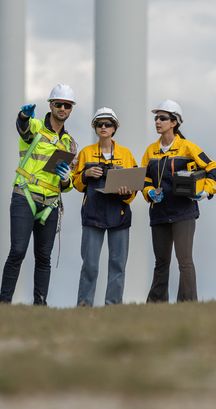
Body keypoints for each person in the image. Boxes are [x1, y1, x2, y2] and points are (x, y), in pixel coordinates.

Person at [0, 83, 77, 305]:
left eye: (67, 105)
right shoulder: (35, 127)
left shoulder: (69, 143)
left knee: (44, 258)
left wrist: (65, 179)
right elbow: (22, 128)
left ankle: (39, 305)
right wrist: (23, 115)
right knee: (18, 252)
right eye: (59, 104)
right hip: (25, 195)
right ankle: (3, 305)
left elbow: (68, 184)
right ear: (51, 105)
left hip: (50, 203)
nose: (63, 108)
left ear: (71, 109)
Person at [141, 99, 216, 303]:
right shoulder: (150, 151)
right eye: (156, 117)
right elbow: (144, 179)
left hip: (183, 213)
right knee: (161, 262)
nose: (157, 121)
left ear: (174, 122)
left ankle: (187, 304)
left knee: (184, 261)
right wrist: (149, 192)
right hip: (159, 213)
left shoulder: (188, 147)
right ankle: (156, 305)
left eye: (162, 118)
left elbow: (212, 167)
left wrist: (206, 191)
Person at [71, 107, 138, 306]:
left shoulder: (126, 154)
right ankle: (84, 306)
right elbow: (76, 184)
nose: (103, 127)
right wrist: (85, 175)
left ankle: (113, 307)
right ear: (95, 128)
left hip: (119, 215)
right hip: (93, 216)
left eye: (107, 124)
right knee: (90, 265)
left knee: (117, 265)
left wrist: (128, 193)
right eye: (99, 124)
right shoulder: (86, 153)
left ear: (114, 128)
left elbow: (135, 184)